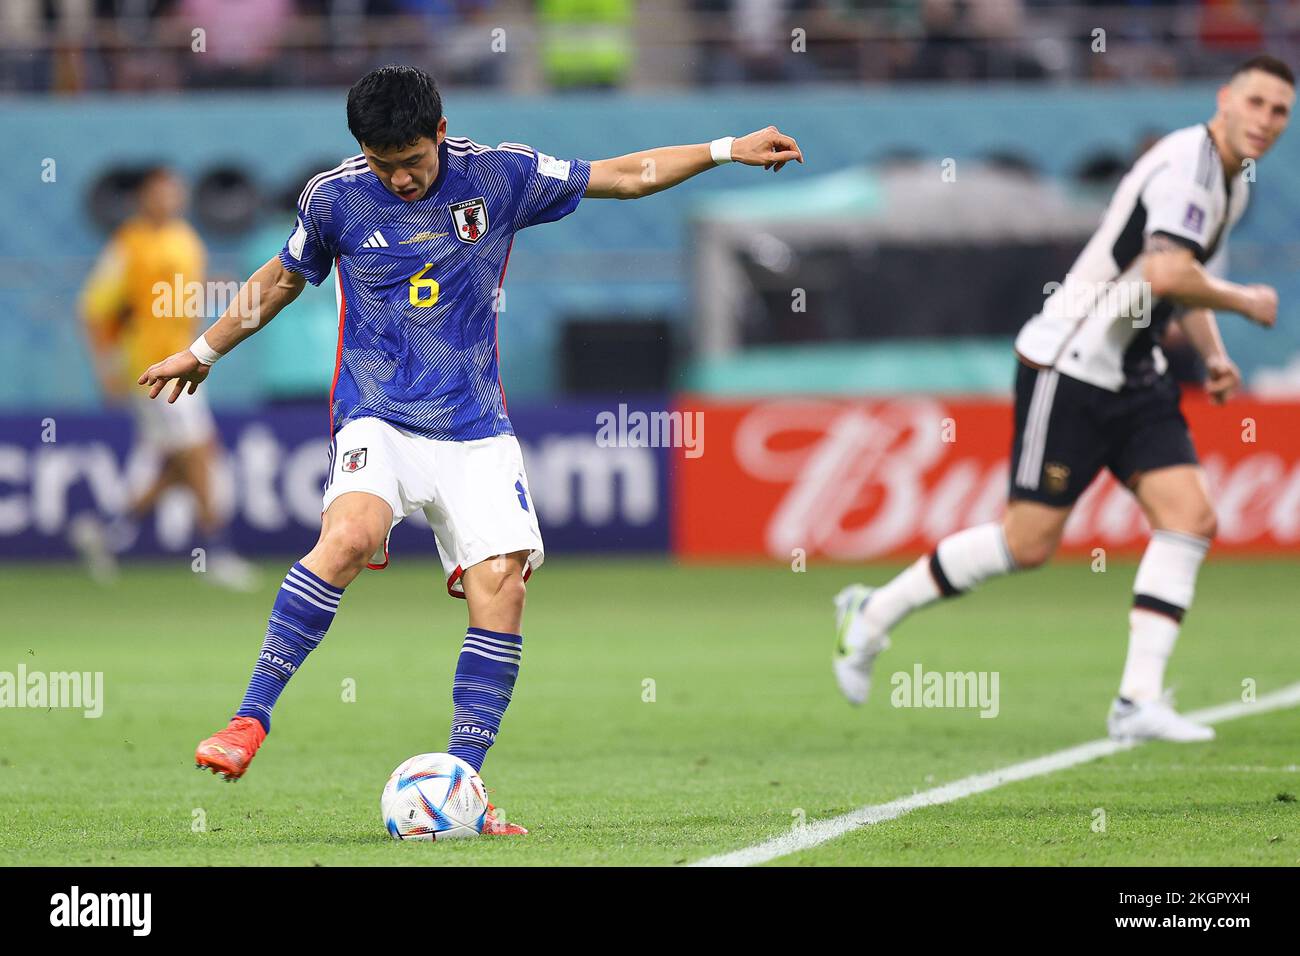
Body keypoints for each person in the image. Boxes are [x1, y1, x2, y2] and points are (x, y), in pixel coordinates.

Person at [139, 65, 803, 832]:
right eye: (384, 164)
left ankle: (463, 789)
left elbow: (624, 176)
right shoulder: (334, 198)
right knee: (348, 535)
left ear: (441, 132)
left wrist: (725, 148)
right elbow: (284, 278)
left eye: (413, 161)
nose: (401, 178)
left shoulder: (501, 175)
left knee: (503, 588)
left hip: (476, 429)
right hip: (377, 418)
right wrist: (205, 349)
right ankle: (248, 719)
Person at [833, 55, 1291, 743]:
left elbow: (1181, 279)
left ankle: (1136, 699)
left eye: (1280, 111)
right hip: (1069, 364)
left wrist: (1217, 355)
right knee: (1027, 543)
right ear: (1225, 98)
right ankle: (869, 614)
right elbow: (1169, 269)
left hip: (1136, 370)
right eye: (1255, 102)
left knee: (1190, 516)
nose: (1265, 120)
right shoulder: (1186, 167)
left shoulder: (1233, 184)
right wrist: (1244, 302)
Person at [75, 166, 256, 591]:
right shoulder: (128, 244)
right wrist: (108, 366)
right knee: (198, 454)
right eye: (162, 191)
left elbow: (177, 296)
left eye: (175, 191)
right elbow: (96, 310)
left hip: (185, 362)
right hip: (155, 369)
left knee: (179, 460)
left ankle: (109, 533)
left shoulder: (186, 240)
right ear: (143, 197)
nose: (171, 198)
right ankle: (219, 553)